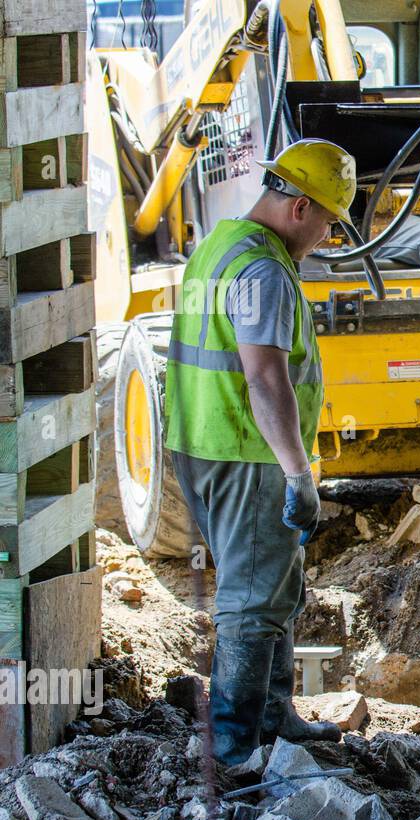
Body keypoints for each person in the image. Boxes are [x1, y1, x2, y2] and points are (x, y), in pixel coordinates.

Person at [163, 138, 356, 765]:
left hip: (205, 445)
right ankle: (233, 743)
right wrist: (298, 472)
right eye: (328, 220)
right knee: (251, 598)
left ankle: (275, 717)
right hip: (248, 454)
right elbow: (265, 375)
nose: (328, 234)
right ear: (300, 207)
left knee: (273, 583)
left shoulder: (219, 246)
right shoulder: (265, 269)